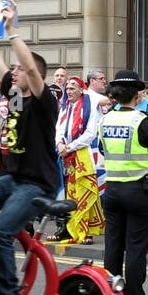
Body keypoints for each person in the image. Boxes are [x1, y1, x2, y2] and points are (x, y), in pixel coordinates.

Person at [0, 0, 59, 295]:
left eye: (19, 69)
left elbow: (31, 68)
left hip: (36, 183)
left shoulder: (44, 102)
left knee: (0, 231)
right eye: (15, 69)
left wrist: (12, 30)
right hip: (11, 178)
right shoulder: (12, 91)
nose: (15, 71)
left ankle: (10, 293)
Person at [98, 70, 148, 295]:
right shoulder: (143, 121)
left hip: (112, 190)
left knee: (113, 248)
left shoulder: (105, 120)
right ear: (137, 95)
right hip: (138, 192)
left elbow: (104, 151)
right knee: (135, 250)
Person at [55, 76, 104, 244]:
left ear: (81, 90)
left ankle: (87, 230)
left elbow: (90, 134)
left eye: (72, 88)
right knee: (70, 193)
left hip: (82, 153)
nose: (69, 91)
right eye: (67, 89)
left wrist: (69, 147)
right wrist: (60, 143)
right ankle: (70, 229)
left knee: (86, 190)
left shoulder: (88, 106)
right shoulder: (65, 107)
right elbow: (59, 128)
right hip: (66, 155)